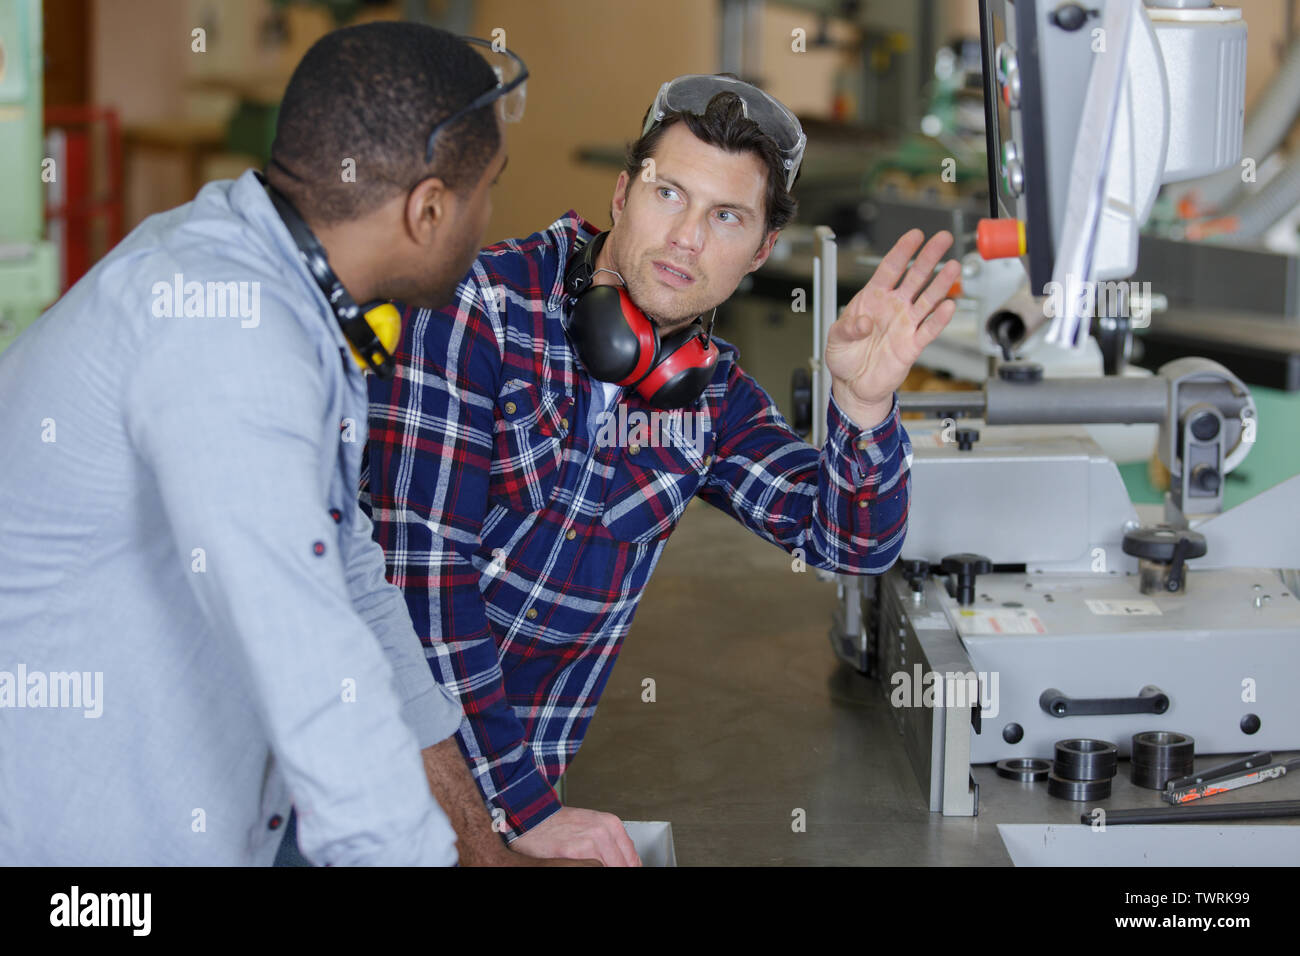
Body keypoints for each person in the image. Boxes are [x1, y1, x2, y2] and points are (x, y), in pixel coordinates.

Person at [362, 73, 960, 866]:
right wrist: (526, 806)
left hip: (501, 825)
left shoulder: (710, 398)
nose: (686, 238)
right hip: (360, 780)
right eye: (668, 194)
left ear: (760, 252)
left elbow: (848, 545)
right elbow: (422, 584)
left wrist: (862, 406)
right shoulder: (474, 306)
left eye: (725, 217)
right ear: (621, 195)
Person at [0, 22, 550, 866]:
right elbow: (310, 670)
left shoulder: (280, 292)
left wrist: (480, 849)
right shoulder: (224, 333)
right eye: (486, 192)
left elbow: (355, 589)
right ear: (429, 207)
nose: (489, 219)